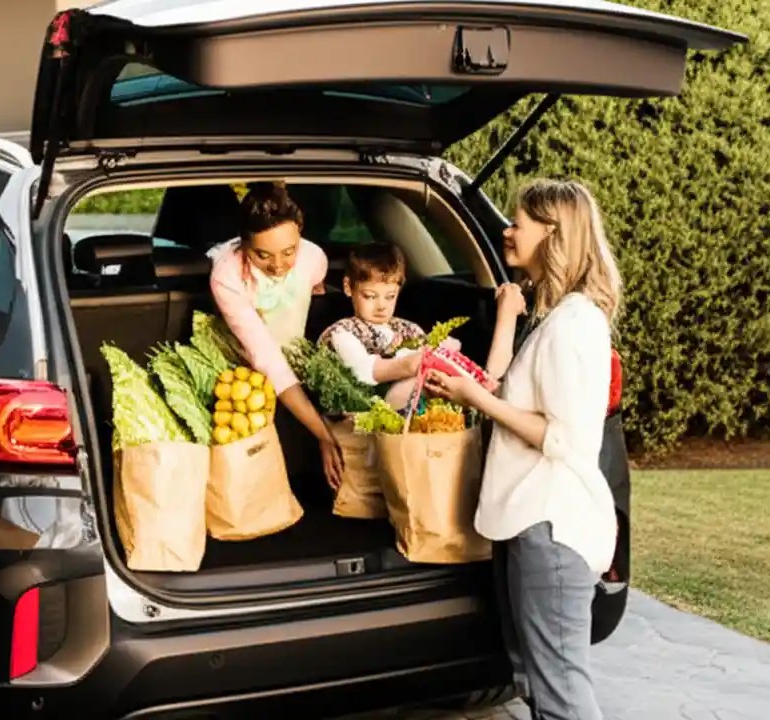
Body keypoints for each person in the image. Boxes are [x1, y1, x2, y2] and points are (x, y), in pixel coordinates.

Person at [426, 179, 622, 720]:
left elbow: (564, 436)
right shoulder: (554, 318)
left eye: (519, 223)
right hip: (529, 524)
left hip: (553, 528)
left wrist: (474, 399)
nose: (507, 231)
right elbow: (508, 387)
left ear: (553, 234)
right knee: (535, 685)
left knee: (560, 692)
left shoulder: (576, 324)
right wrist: (502, 329)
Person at [208, 181, 344, 488]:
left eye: (288, 251)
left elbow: (317, 288)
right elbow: (267, 358)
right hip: (248, 371)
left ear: (300, 235)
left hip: (297, 358)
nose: (278, 266)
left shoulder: (314, 258)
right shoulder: (227, 276)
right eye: (262, 255)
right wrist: (323, 434)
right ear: (242, 244)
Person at [317, 243, 426, 408]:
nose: (381, 305)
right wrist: (410, 365)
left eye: (390, 296)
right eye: (369, 296)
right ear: (348, 287)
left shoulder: (410, 330)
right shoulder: (341, 333)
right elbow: (362, 370)